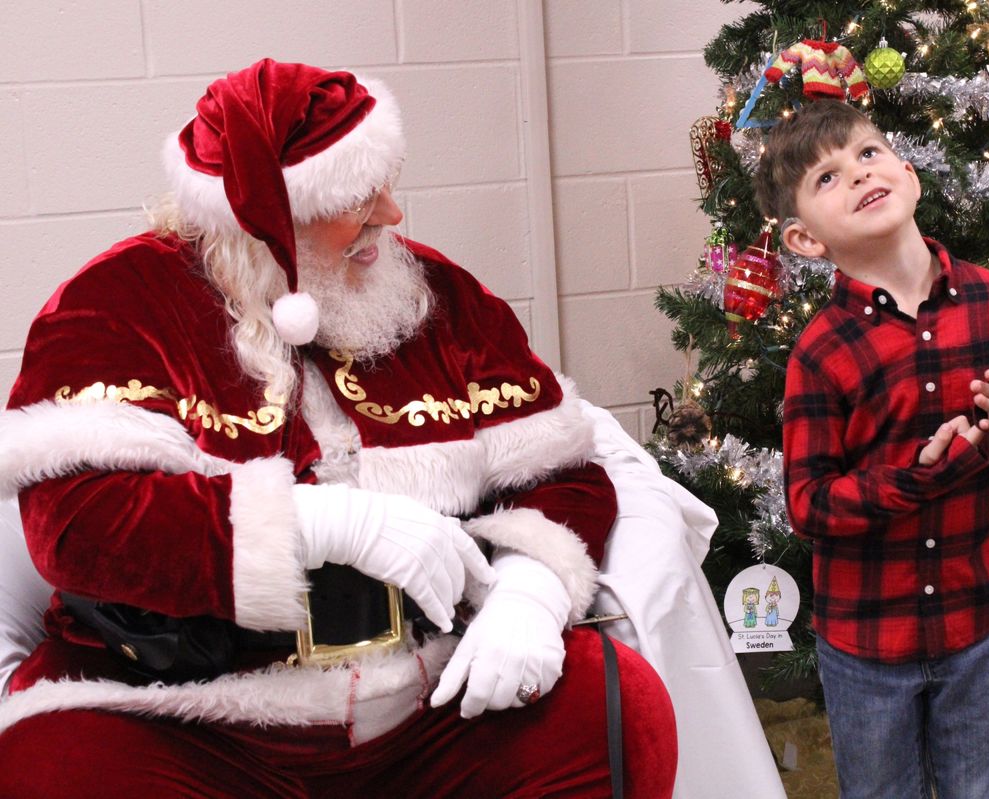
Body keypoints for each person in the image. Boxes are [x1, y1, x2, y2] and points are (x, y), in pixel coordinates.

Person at [0, 58, 680, 797]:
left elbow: (563, 470)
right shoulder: (117, 300)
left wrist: (531, 592)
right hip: (189, 712)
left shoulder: (440, 296)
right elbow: (77, 525)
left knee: (615, 711)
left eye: (388, 183)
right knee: (53, 766)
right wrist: (326, 524)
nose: (391, 214)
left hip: (427, 698)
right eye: (359, 197)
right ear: (266, 218)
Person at [756, 100, 989, 798]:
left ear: (908, 174)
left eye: (868, 154)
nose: (858, 174)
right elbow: (809, 507)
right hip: (867, 645)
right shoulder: (821, 352)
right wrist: (916, 479)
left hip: (979, 623)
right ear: (805, 239)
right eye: (826, 178)